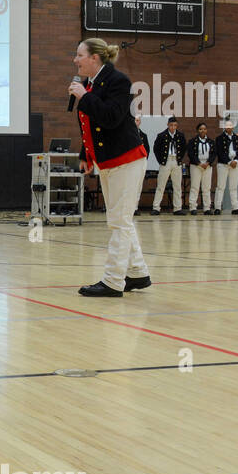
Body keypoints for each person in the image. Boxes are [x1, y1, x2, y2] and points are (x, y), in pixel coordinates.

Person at [69, 38, 151, 297]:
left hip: (127, 159)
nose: (75, 60)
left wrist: (84, 98)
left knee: (119, 222)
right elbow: (91, 125)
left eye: (79, 55)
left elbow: (112, 117)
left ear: (95, 58)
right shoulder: (89, 84)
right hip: (108, 161)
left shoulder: (118, 81)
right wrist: (86, 153)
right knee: (120, 220)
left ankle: (113, 281)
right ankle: (138, 273)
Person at [151, 115, 187, 215]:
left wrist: (179, 159)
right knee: (161, 185)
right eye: (171, 125)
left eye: (175, 125)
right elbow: (156, 149)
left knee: (177, 186)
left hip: (176, 161)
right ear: (167, 125)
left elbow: (184, 148)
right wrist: (161, 161)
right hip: (165, 161)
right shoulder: (162, 135)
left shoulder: (180, 135)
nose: (173, 127)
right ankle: (156, 207)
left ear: (177, 126)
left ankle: (177, 208)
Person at [214, 117, 238, 215]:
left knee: (233, 187)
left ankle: (235, 207)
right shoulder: (219, 138)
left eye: (231, 126)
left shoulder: (237, 138)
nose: (229, 128)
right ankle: (218, 207)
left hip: (235, 164)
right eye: (227, 126)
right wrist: (228, 161)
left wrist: (236, 160)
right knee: (221, 186)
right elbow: (219, 152)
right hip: (223, 164)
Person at [186, 121, 216, 215]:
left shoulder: (211, 142)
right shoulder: (192, 141)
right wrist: (198, 163)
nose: (202, 130)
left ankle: (207, 208)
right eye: (200, 129)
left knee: (206, 187)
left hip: (207, 166)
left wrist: (208, 163)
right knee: (195, 187)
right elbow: (190, 154)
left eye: (204, 129)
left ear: (206, 130)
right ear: (197, 130)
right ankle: (193, 207)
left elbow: (214, 153)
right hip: (196, 166)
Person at [132, 112, 151, 215]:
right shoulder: (127, 134)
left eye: (138, 120)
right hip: (130, 164)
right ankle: (128, 208)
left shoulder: (144, 135)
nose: (136, 122)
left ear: (140, 122)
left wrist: (143, 160)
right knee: (129, 186)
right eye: (135, 120)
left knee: (138, 186)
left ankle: (135, 207)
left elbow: (147, 150)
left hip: (140, 163)